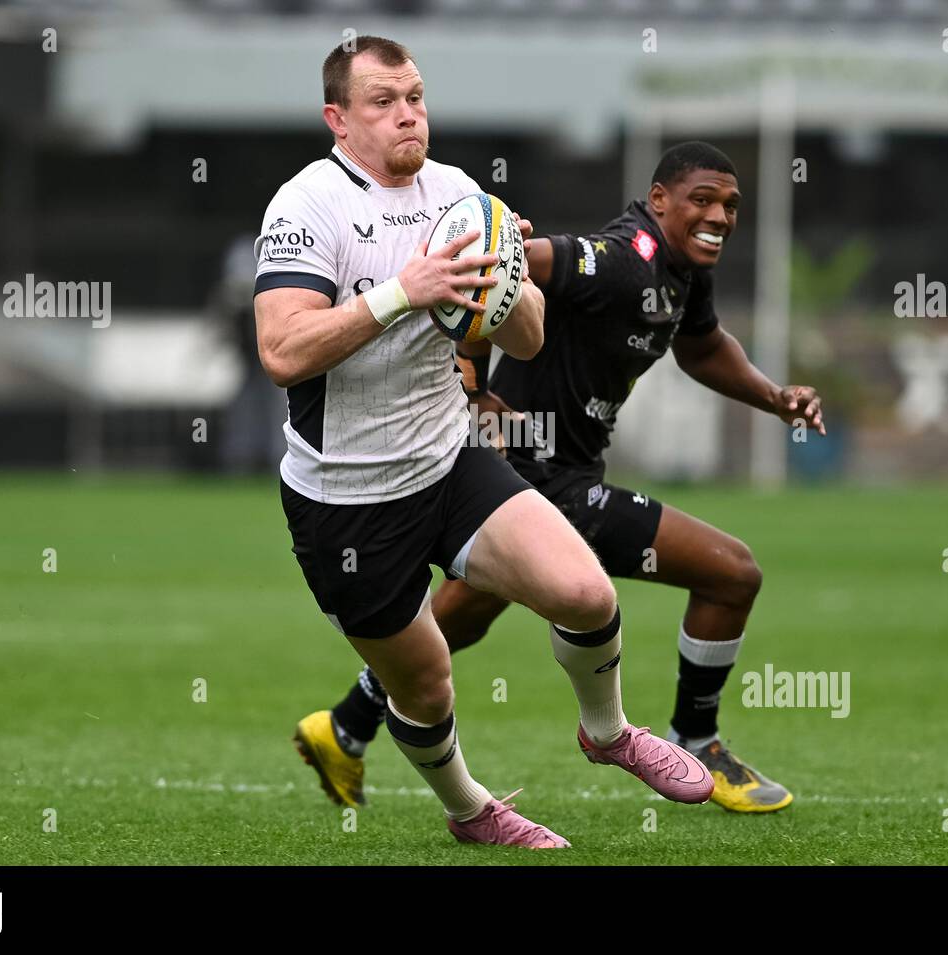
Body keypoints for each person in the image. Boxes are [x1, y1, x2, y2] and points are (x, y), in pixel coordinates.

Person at [256, 37, 715, 850]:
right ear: (338, 118)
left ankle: (607, 732)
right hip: (347, 502)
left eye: (416, 96)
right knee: (426, 686)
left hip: (449, 460)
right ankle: (471, 809)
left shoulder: (459, 194)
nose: (408, 114)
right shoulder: (305, 206)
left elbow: (532, 340)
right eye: (384, 101)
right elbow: (283, 350)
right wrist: (407, 291)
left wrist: (508, 285)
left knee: (586, 594)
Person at [297, 141, 824, 815]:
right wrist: (472, 379)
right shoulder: (615, 260)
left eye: (730, 204)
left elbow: (703, 347)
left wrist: (774, 396)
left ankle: (344, 726)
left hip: (550, 472)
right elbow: (500, 262)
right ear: (659, 200)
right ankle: (698, 739)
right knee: (731, 571)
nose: (719, 215)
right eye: (702, 201)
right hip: (544, 478)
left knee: (471, 609)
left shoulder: (682, 267)